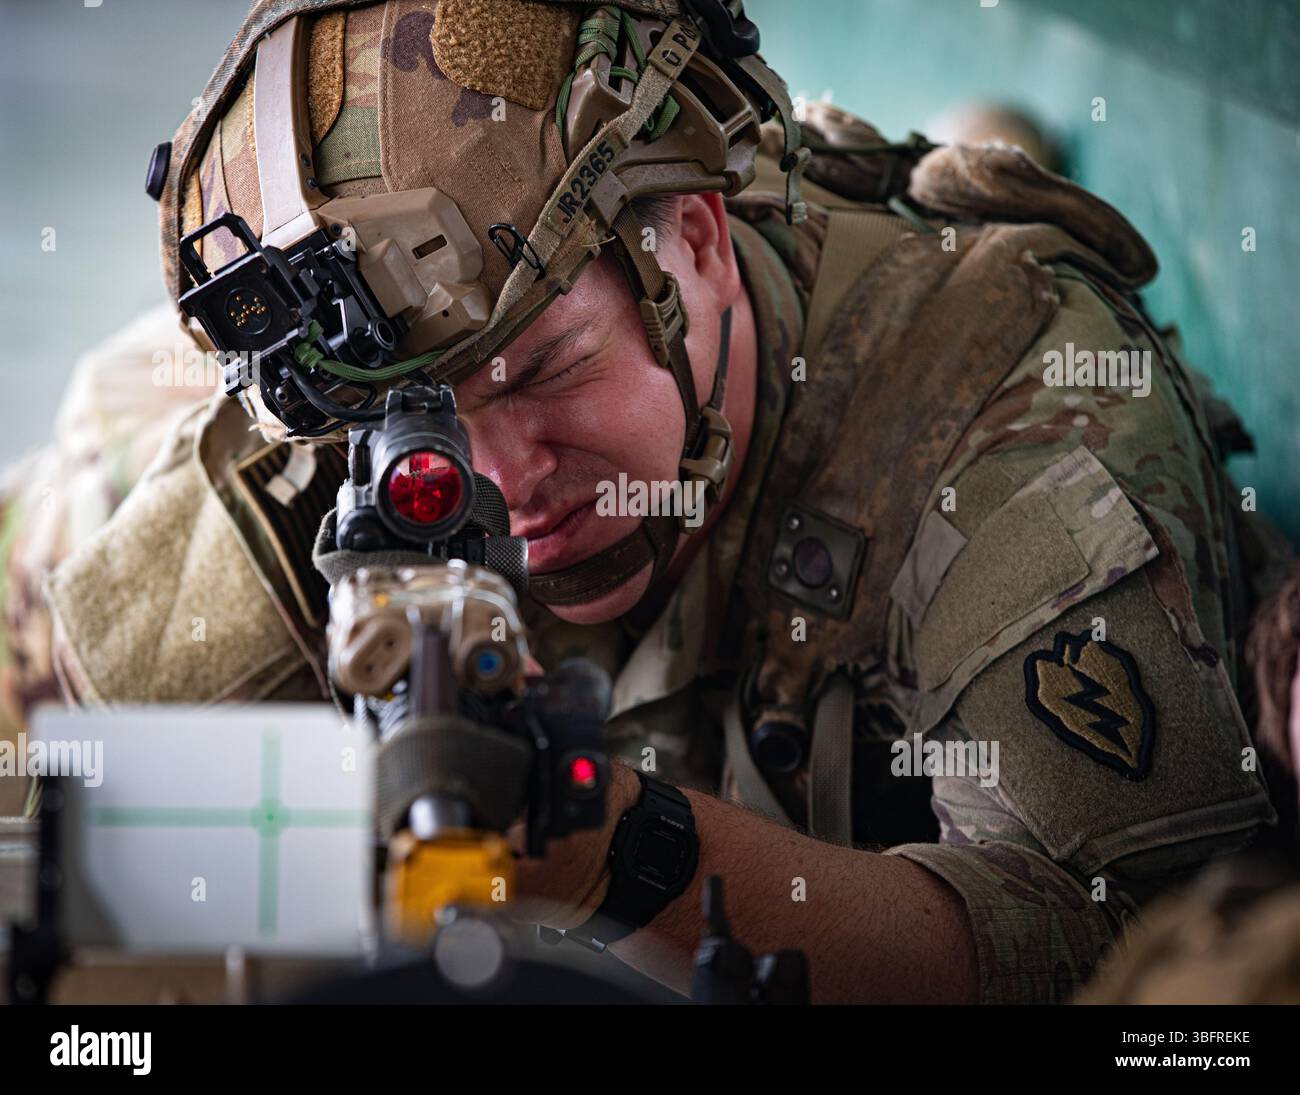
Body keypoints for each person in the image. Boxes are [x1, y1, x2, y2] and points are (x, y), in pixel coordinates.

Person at [17, 0, 1291, 1003]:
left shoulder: (1016, 435)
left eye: (546, 374)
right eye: (429, 423)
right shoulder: (332, 422)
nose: (504, 481)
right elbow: (65, 793)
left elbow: (1121, 963)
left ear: (692, 236)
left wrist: (615, 855)